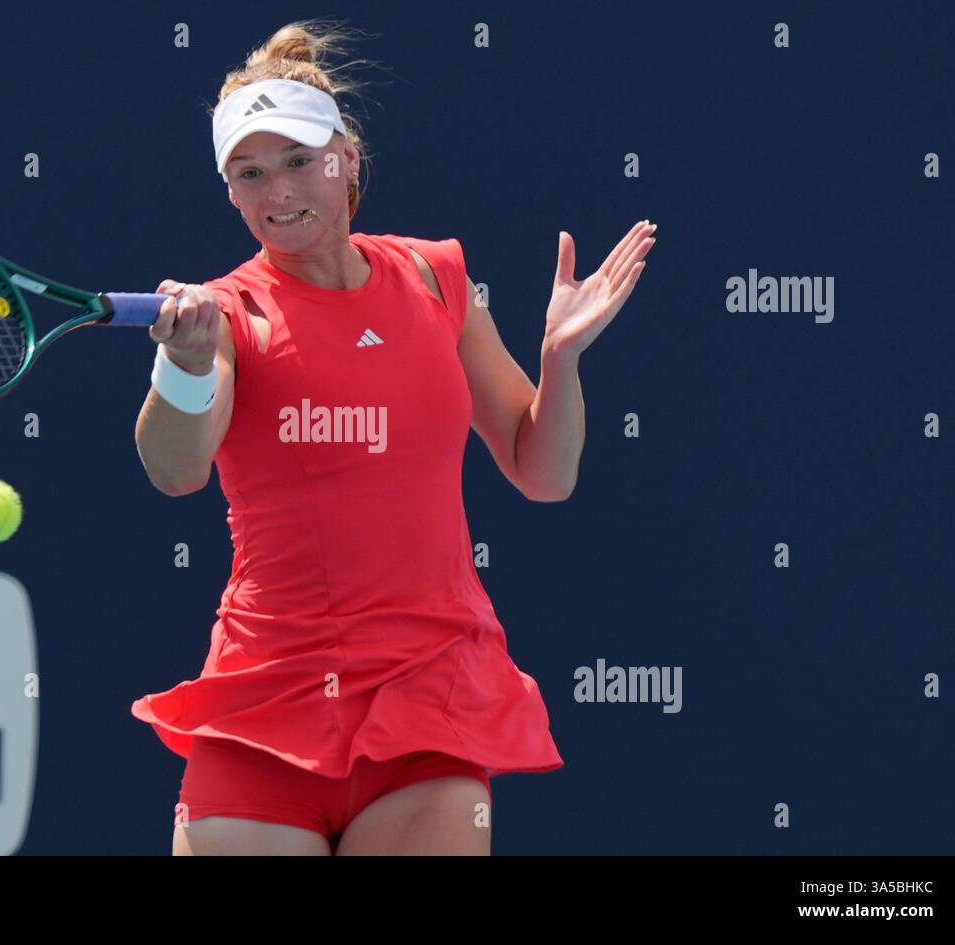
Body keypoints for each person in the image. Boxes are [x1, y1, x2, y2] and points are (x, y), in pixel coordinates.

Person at [132, 20, 655, 856]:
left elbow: (541, 470)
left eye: (299, 160)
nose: (278, 191)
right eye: (250, 173)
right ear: (229, 191)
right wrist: (184, 367)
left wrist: (560, 360)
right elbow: (173, 468)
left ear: (347, 156)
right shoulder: (228, 315)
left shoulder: (433, 273)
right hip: (262, 707)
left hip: (428, 702)